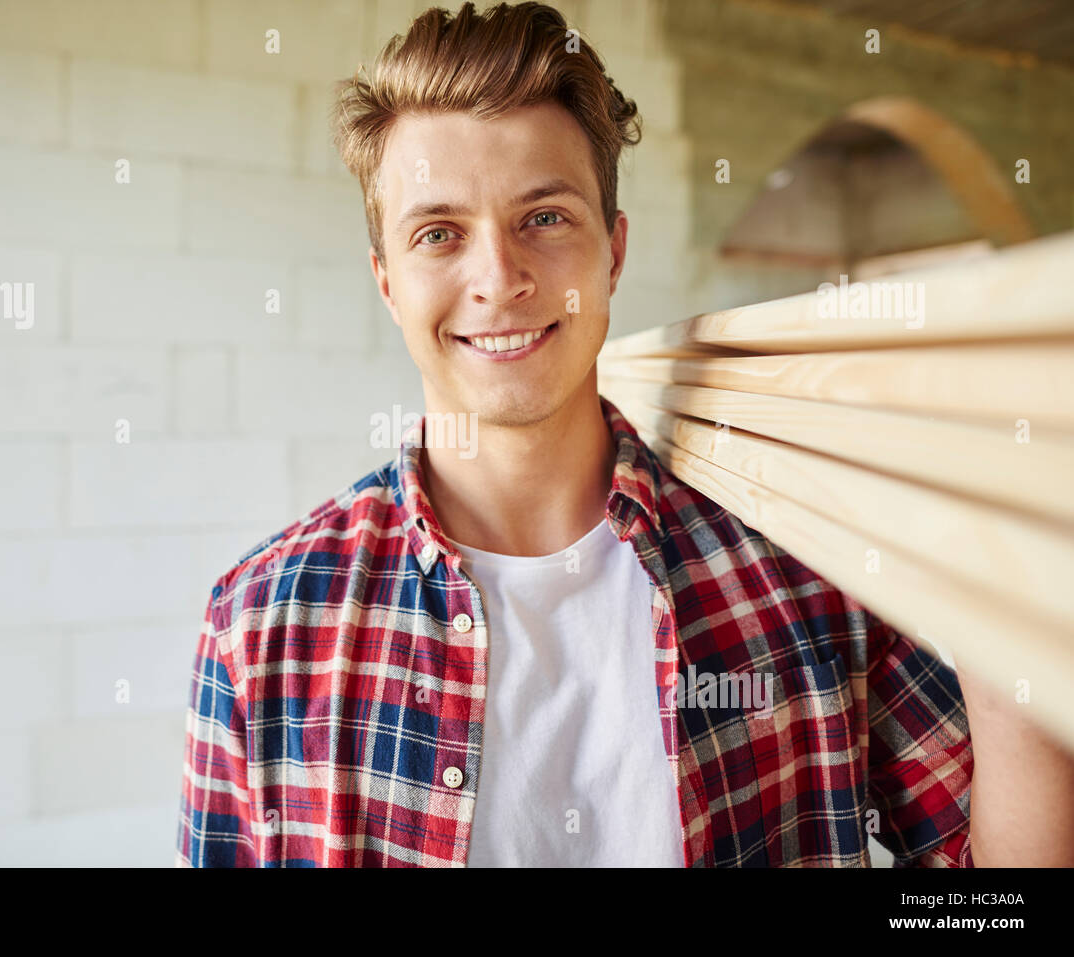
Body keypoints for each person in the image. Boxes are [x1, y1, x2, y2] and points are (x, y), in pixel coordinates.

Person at [176, 1, 1074, 867]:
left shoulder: (806, 567)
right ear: (387, 281)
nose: (499, 278)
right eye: (440, 233)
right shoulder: (262, 628)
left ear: (614, 250)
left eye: (544, 218)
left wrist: (1010, 572)